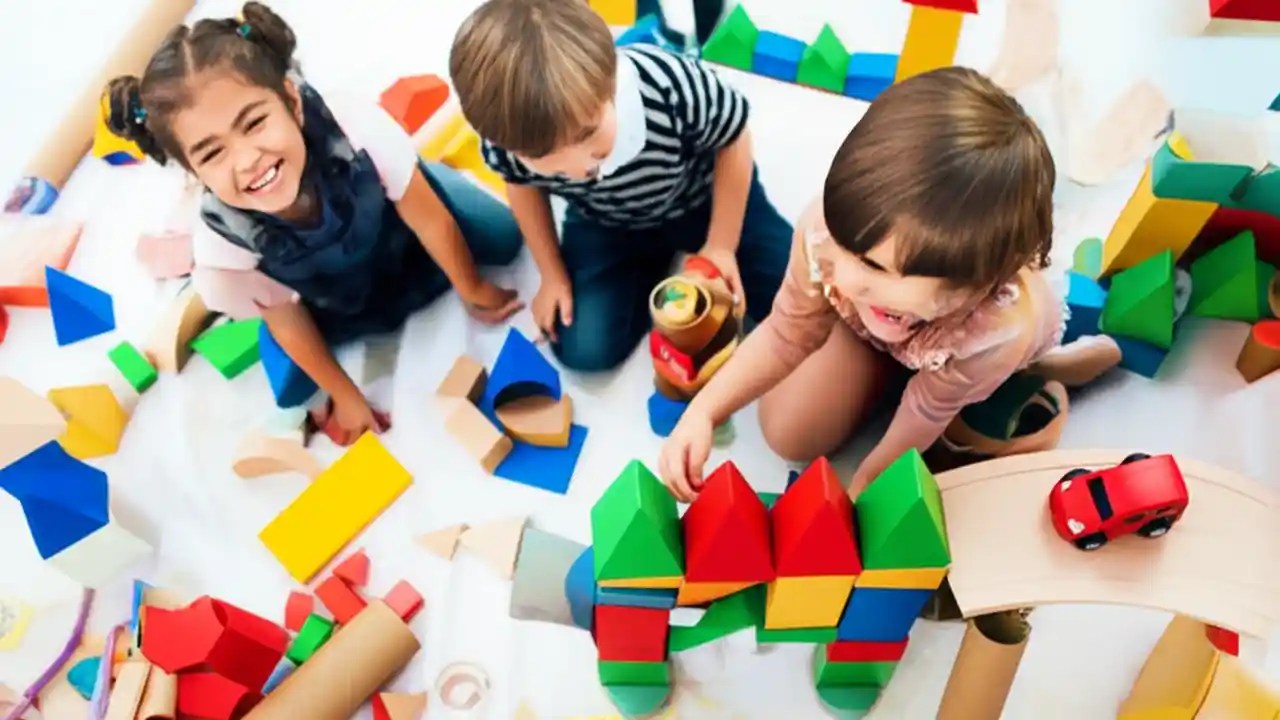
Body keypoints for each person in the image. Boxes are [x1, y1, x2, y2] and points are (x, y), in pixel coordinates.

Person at [658, 67, 1121, 501]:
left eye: (896, 276)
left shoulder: (996, 326)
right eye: (861, 257)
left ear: (980, 285)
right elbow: (786, 331)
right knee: (787, 432)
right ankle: (886, 366)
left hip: (975, 357)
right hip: (893, 340)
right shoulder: (827, 234)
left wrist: (868, 482)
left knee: (967, 423)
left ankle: (1050, 369)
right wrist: (704, 410)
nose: (862, 279)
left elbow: (926, 411)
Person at [105, 2, 524, 445]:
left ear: (291, 101)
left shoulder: (355, 128)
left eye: (254, 123)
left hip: (400, 236)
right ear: (194, 173)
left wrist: (472, 288)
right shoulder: (222, 244)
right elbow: (287, 319)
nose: (247, 161)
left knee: (500, 235)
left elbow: (427, 217)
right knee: (294, 387)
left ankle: (417, 170)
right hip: (331, 297)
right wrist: (347, 396)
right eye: (212, 154)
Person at [449, 0, 791, 372]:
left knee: (792, 289)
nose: (580, 168)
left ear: (611, 82)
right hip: (607, 224)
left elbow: (733, 136)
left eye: (588, 135)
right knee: (583, 349)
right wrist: (552, 273)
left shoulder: (666, 83)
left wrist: (721, 245)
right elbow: (521, 187)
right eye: (547, 159)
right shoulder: (508, 141)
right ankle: (648, 273)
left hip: (701, 197)